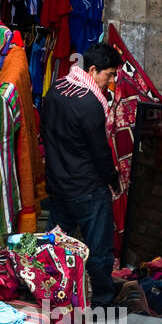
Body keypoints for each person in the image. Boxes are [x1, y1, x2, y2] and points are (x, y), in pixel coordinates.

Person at [40, 43, 122, 306]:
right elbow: (100, 153)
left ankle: (47, 295)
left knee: (54, 248)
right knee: (98, 251)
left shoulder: (56, 90)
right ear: (93, 69)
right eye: (108, 75)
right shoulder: (90, 105)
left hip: (58, 185)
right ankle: (102, 302)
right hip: (86, 190)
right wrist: (113, 180)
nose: (110, 82)